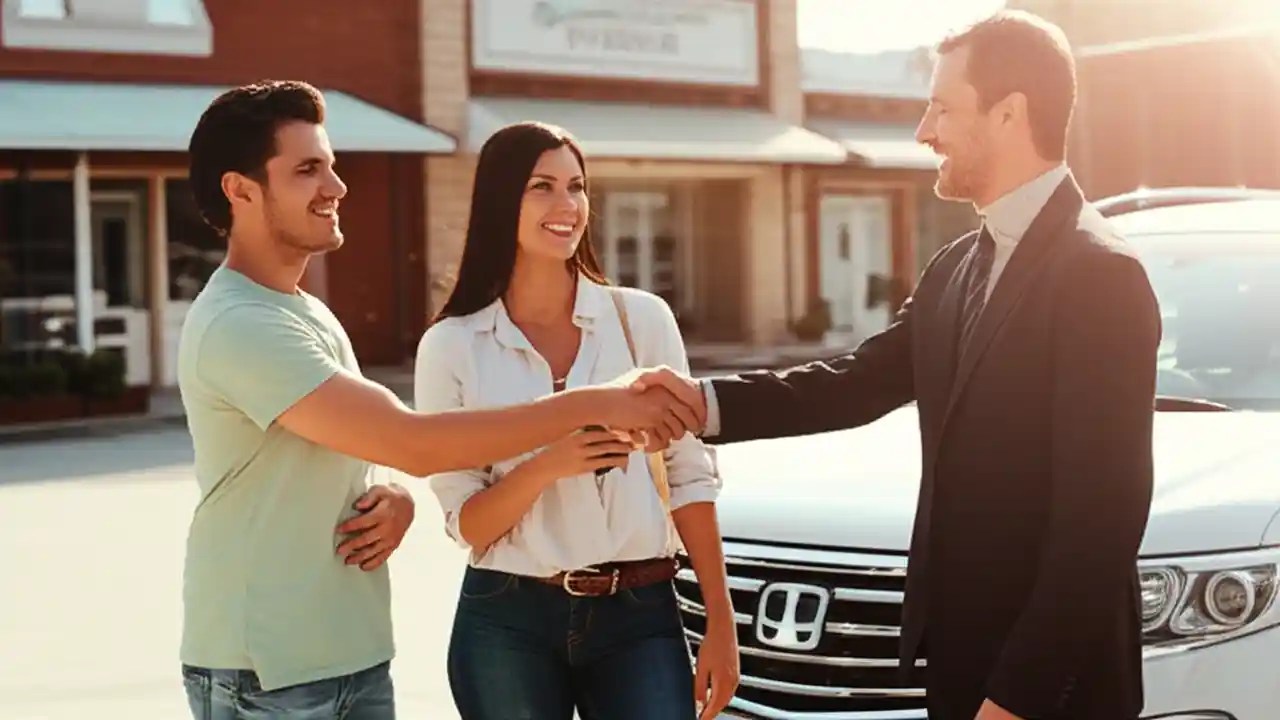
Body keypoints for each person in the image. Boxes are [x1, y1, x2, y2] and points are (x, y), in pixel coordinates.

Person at [633, 11, 1161, 720]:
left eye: (942, 107)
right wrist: (702, 405)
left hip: (1051, 685)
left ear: (1010, 115)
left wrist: (1015, 698)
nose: (923, 131)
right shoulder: (953, 269)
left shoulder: (1100, 275)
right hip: (959, 660)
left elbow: (1101, 522)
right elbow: (858, 382)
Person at [176, 81, 700, 720]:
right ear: (241, 190)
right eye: (308, 169)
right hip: (267, 670)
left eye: (332, 166)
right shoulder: (241, 324)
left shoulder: (305, 313)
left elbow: (364, 447)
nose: (337, 187)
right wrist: (595, 406)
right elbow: (412, 441)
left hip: (345, 654)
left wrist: (392, 496)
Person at [413, 121, 740, 720]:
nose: (566, 206)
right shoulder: (452, 345)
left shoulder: (641, 321)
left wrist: (720, 620)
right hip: (506, 621)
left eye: (576, 187)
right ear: (500, 200)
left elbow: (690, 474)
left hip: (642, 612)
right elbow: (471, 525)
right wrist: (549, 465)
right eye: (542, 186)